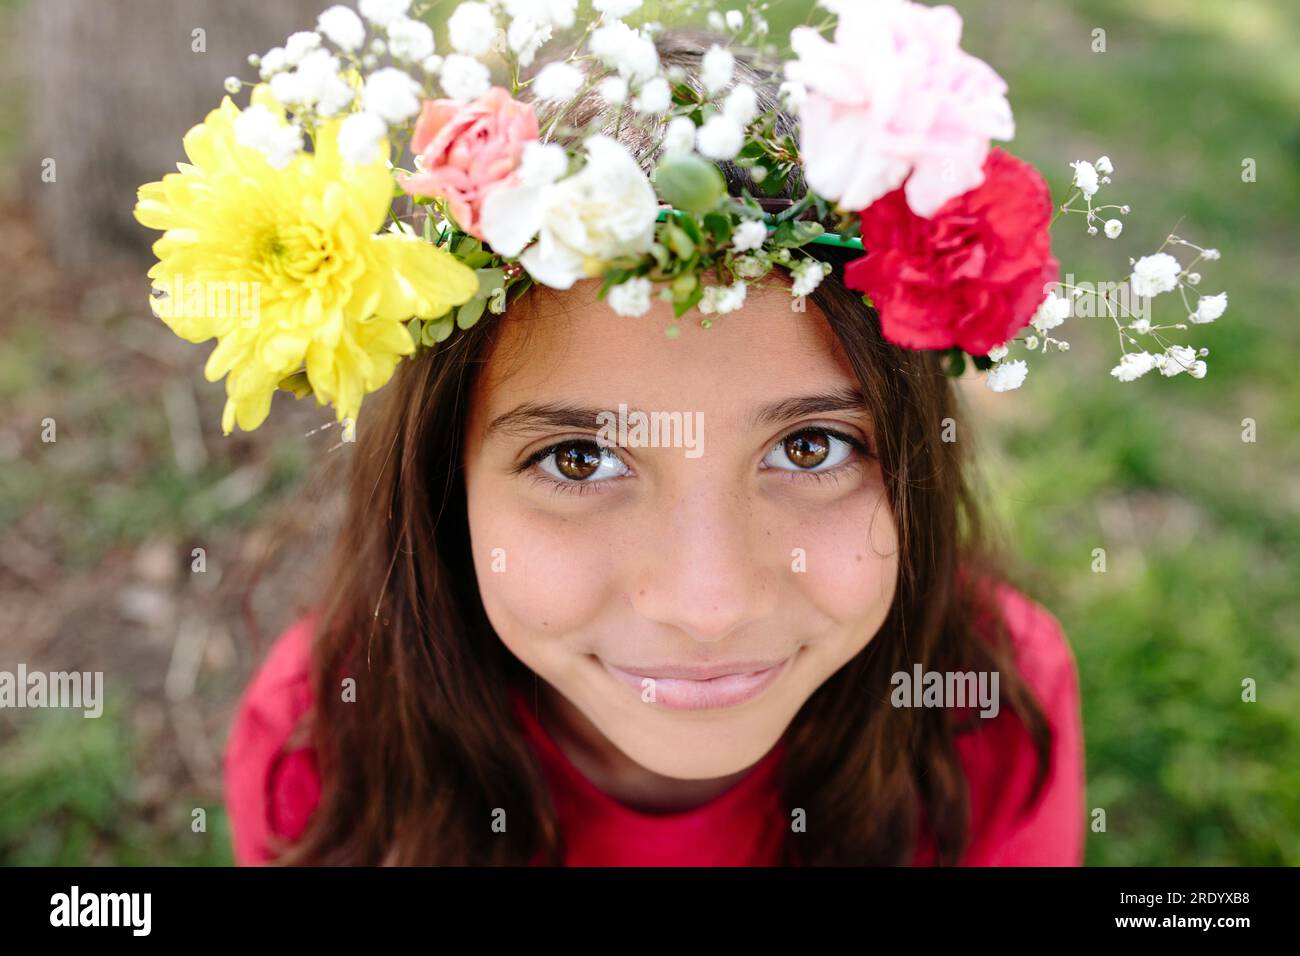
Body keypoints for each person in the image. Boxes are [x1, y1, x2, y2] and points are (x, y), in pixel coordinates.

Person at [221, 30, 1085, 867]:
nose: (706, 606)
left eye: (812, 447)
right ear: (441, 479)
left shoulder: (991, 718)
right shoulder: (324, 752)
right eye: (580, 460)